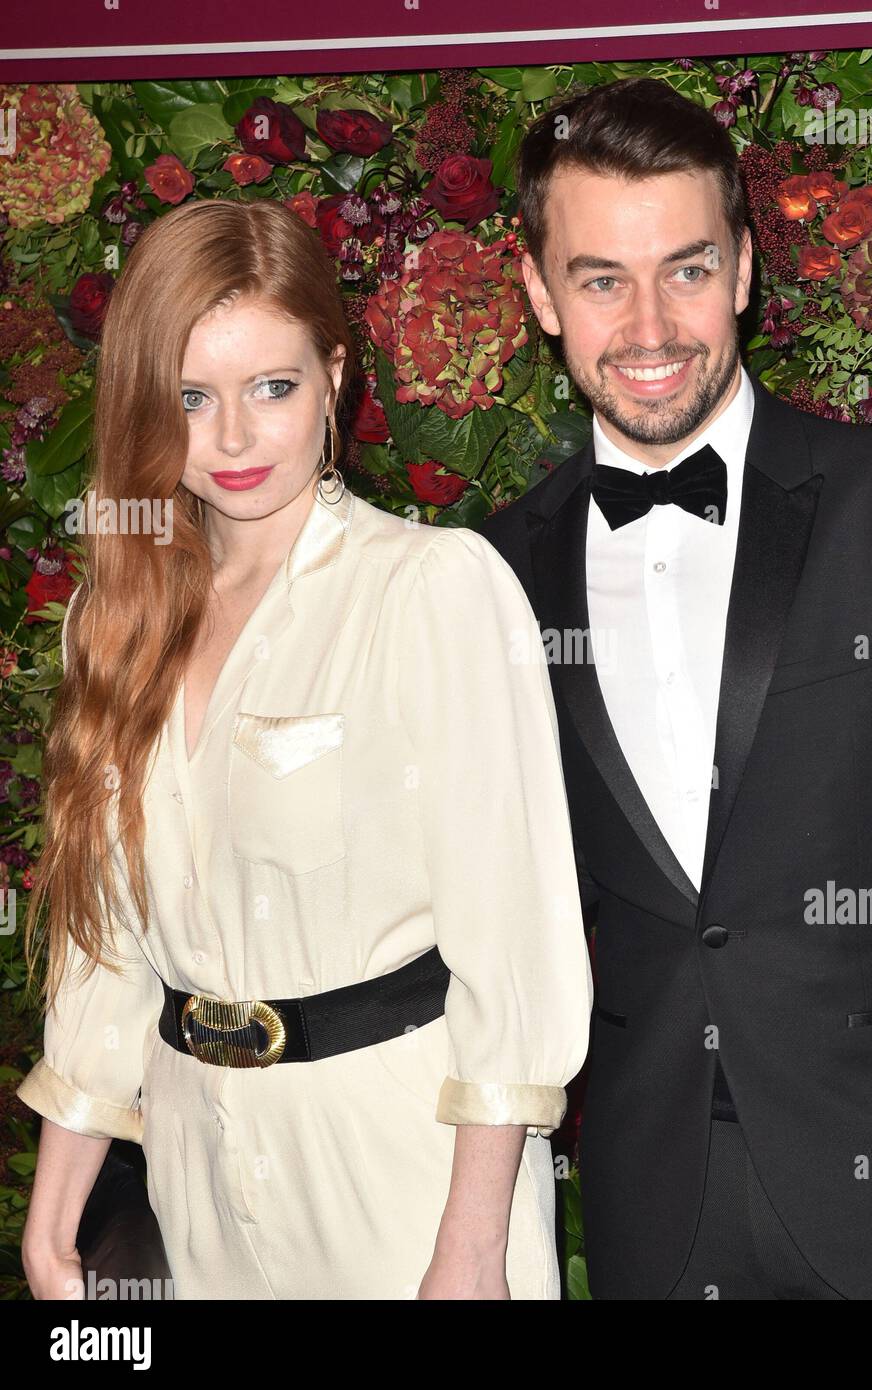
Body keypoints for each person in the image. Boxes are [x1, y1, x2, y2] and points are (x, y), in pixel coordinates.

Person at [479, 76, 872, 1300]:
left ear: (742, 270)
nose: (650, 324)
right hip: (652, 1201)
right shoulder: (498, 569)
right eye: (600, 278)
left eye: (684, 266)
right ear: (538, 295)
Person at [17, 197, 592, 1301]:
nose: (232, 439)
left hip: (403, 1168)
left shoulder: (432, 589)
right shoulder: (117, 614)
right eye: (191, 397)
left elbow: (511, 951)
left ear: (334, 376)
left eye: (271, 387)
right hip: (198, 1169)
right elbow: (107, 955)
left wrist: (469, 1255)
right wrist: (51, 1227)